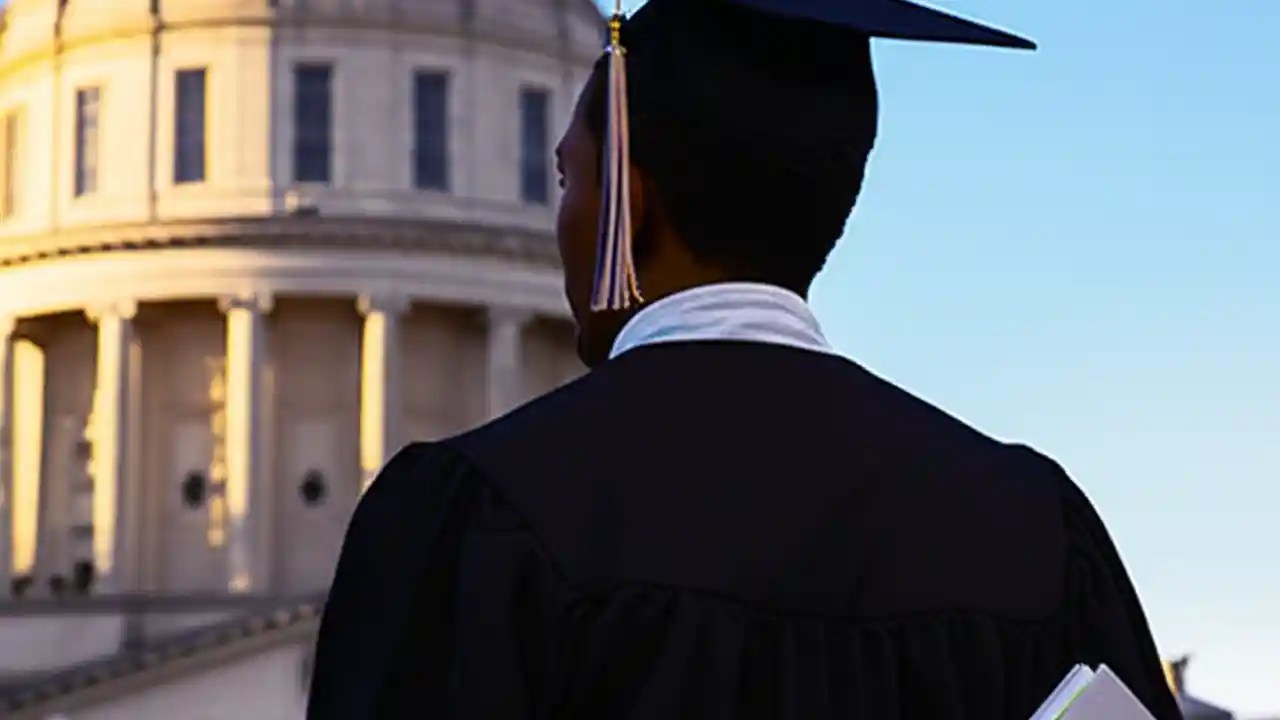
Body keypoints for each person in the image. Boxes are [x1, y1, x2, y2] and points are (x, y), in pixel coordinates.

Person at [307, 1, 1182, 718]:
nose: (562, 217)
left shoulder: (477, 519)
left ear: (629, 201)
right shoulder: (1032, 531)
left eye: (570, 180)